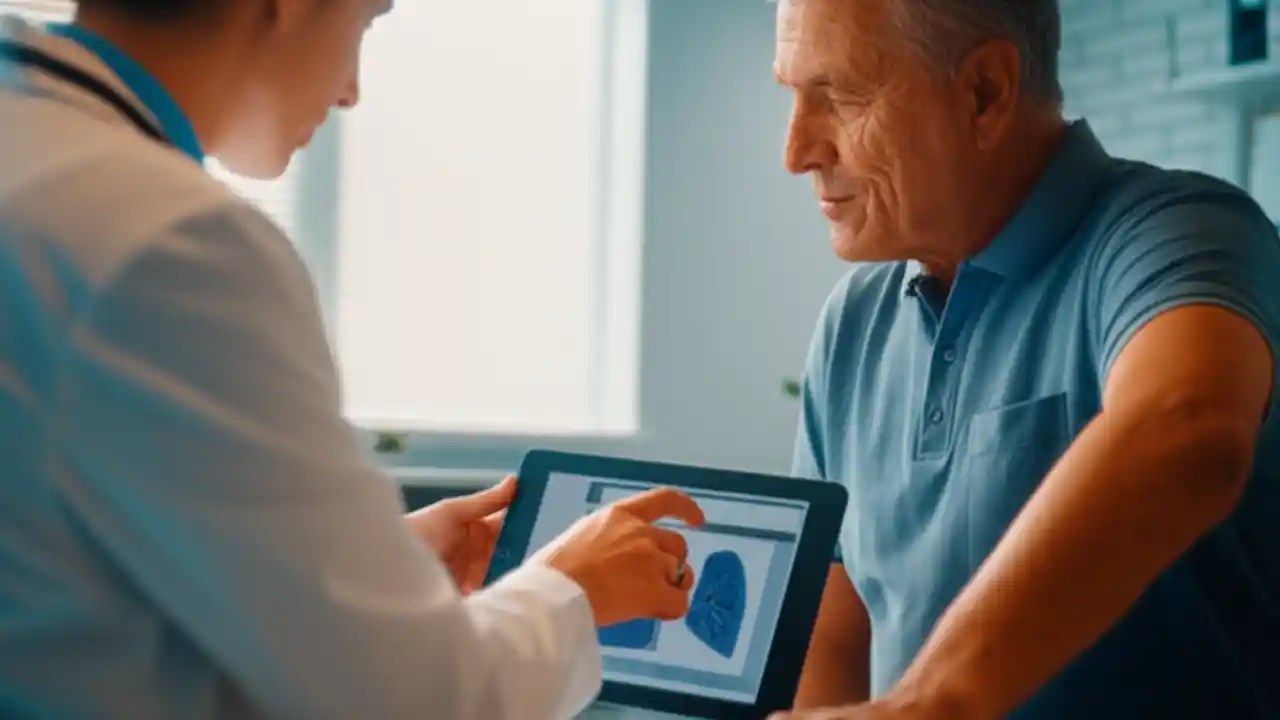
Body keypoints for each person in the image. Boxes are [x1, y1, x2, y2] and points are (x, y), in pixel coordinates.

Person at [0, 2, 706, 718]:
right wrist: (572, 588)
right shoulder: (172, 241)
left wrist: (359, 579)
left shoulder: (35, 153)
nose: (350, 91)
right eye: (365, 22)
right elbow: (416, 702)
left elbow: (71, 572)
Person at [768, 0, 1280, 718]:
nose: (796, 152)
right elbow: (833, 636)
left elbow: (1186, 425)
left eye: (842, 97)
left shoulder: (1177, 232)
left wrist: (928, 704)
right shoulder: (852, 324)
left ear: (986, 92)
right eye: (792, 97)